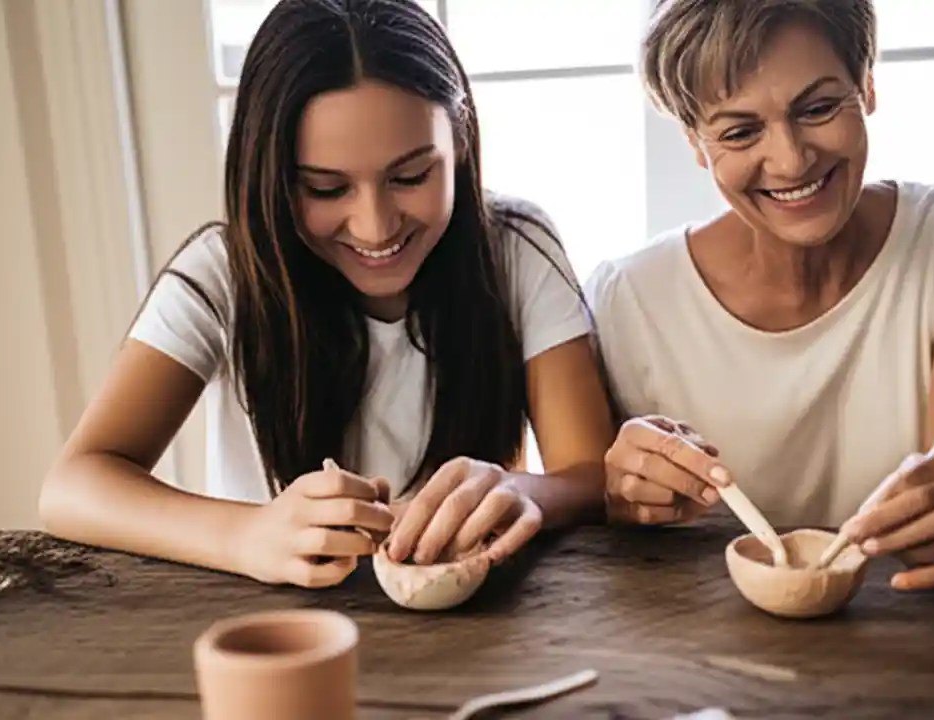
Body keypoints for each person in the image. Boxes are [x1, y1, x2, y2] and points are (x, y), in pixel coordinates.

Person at [39, 0, 613, 588]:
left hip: (484, 621)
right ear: (271, 177)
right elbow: (73, 486)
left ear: (461, 141)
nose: (376, 226)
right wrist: (245, 535)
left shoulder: (514, 248)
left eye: (411, 176)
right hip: (279, 627)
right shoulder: (226, 274)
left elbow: (593, 473)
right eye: (325, 188)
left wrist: (523, 491)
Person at [590, 0, 934, 591]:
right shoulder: (626, 299)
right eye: (740, 131)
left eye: (820, 107)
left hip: (912, 632)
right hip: (698, 651)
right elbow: (609, 535)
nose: (792, 158)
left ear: (868, 86)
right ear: (697, 144)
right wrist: (621, 495)